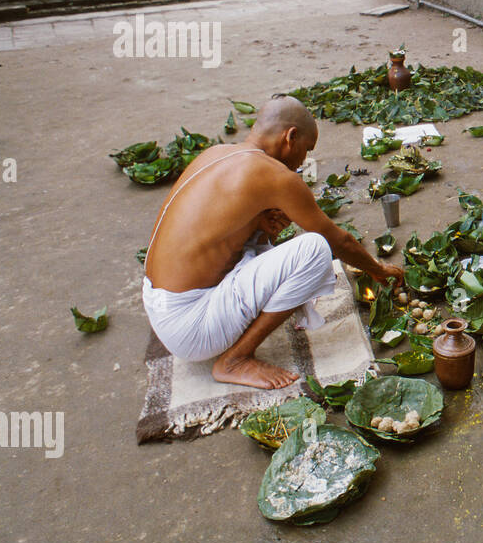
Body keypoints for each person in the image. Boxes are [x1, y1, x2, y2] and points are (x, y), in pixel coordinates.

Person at [142, 97, 403, 389]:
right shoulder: (275, 176)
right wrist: (378, 270)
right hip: (190, 329)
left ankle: (229, 341)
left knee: (268, 227)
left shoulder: (218, 152)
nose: (304, 160)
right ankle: (234, 360)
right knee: (315, 250)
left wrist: (263, 227)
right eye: (306, 149)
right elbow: (338, 241)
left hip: (159, 304)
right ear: (290, 137)